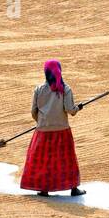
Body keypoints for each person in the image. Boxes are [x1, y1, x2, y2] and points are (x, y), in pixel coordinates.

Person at [20, 60, 83, 197]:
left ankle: (43, 189)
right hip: (62, 131)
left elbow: (33, 112)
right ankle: (73, 188)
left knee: (43, 161)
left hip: (42, 131)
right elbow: (70, 110)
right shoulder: (65, 89)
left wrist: (42, 123)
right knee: (66, 160)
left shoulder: (38, 90)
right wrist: (78, 108)